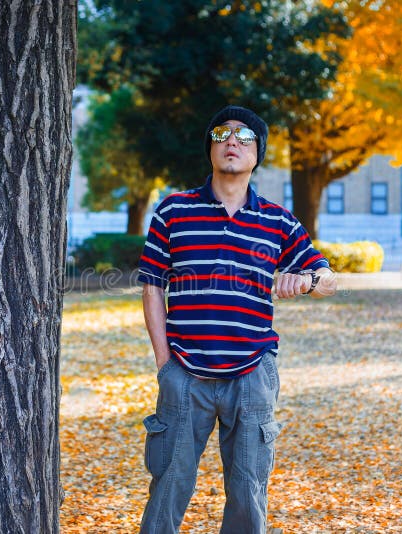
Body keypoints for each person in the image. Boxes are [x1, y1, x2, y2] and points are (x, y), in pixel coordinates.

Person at [137, 105, 337, 533]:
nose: (232, 141)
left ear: (257, 152)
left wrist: (305, 280)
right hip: (184, 372)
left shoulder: (278, 221)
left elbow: (329, 279)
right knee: (168, 487)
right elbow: (152, 285)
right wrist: (164, 363)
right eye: (222, 133)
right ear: (210, 147)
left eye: (245, 136)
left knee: (248, 493)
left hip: (252, 375)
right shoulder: (173, 210)